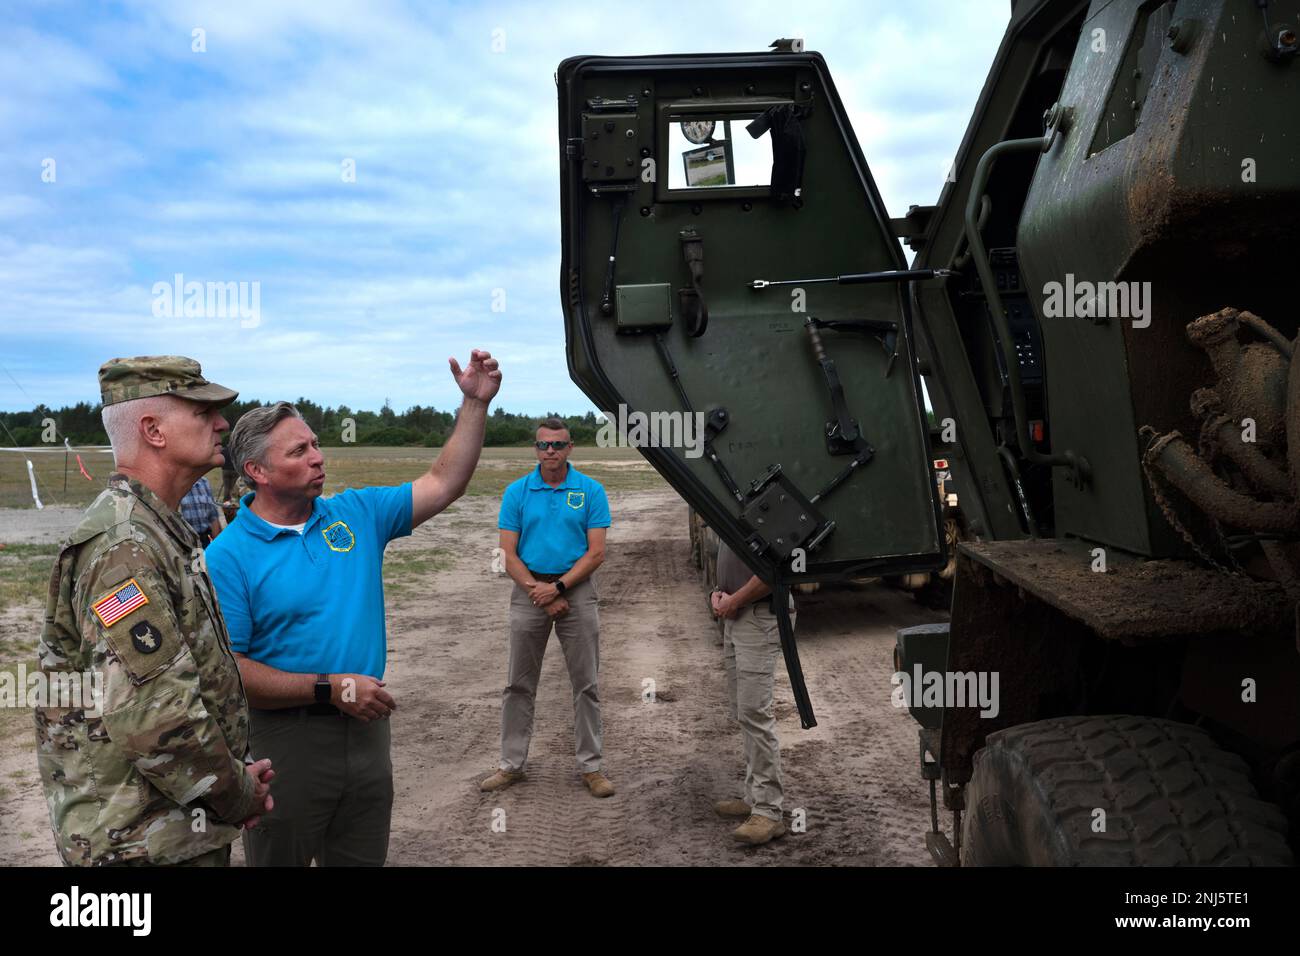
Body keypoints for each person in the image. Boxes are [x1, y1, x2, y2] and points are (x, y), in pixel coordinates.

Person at [205, 349, 501, 866]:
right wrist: (332, 686)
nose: (318, 457)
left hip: (366, 729)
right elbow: (233, 672)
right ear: (257, 470)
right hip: (285, 742)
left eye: (316, 444)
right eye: (298, 451)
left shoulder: (356, 514)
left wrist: (473, 405)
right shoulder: (228, 555)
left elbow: (444, 481)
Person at [34, 356, 273, 867]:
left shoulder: (153, 530)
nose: (222, 423)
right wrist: (238, 793)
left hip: (170, 831)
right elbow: (157, 718)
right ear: (153, 430)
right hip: (140, 846)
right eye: (203, 411)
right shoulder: (125, 544)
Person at [480, 417, 613, 797]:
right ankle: (511, 764)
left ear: (571, 448)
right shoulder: (518, 492)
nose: (550, 451)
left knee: (585, 684)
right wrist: (538, 591)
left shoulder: (590, 490)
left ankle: (592, 767)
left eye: (558, 445)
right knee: (517, 684)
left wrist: (558, 588)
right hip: (529, 591)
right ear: (535, 449)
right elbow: (507, 554)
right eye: (543, 445)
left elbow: (597, 552)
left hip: (576, 590)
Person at [710, 539, 796, 846]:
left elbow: (773, 570)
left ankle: (769, 812)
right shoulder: (738, 502)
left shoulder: (771, 507)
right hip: (738, 615)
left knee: (756, 713)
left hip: (759, 615)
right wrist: (718, 592)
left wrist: (734, 600)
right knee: (744, 712)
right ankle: (754, 797)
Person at [179, 474, 223, 544]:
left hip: (205, 540)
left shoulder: (204, 482)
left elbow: (213, 515)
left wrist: (217, 543)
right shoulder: (176, 485)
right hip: (186, 543)